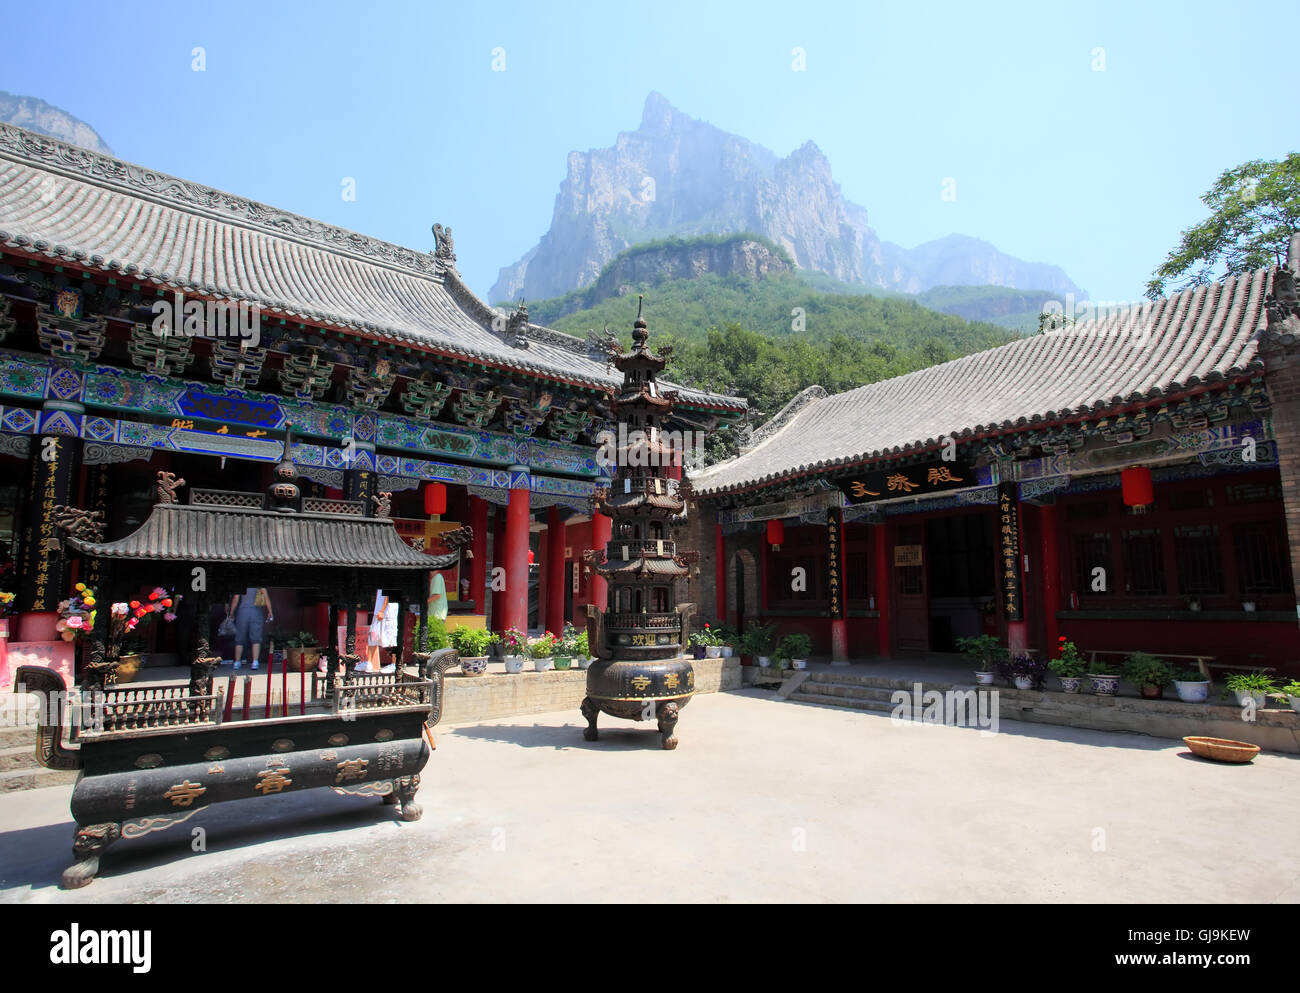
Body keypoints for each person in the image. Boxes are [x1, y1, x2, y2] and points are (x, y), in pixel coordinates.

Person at [228, 587, 273, 669]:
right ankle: (255, 662)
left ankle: (237, 662)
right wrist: (270, 612)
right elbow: (266, 598)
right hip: (256, 613)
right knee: (256, 638)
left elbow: (235, 599)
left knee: (239, 639)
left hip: (242, 613)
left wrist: (231, 613)